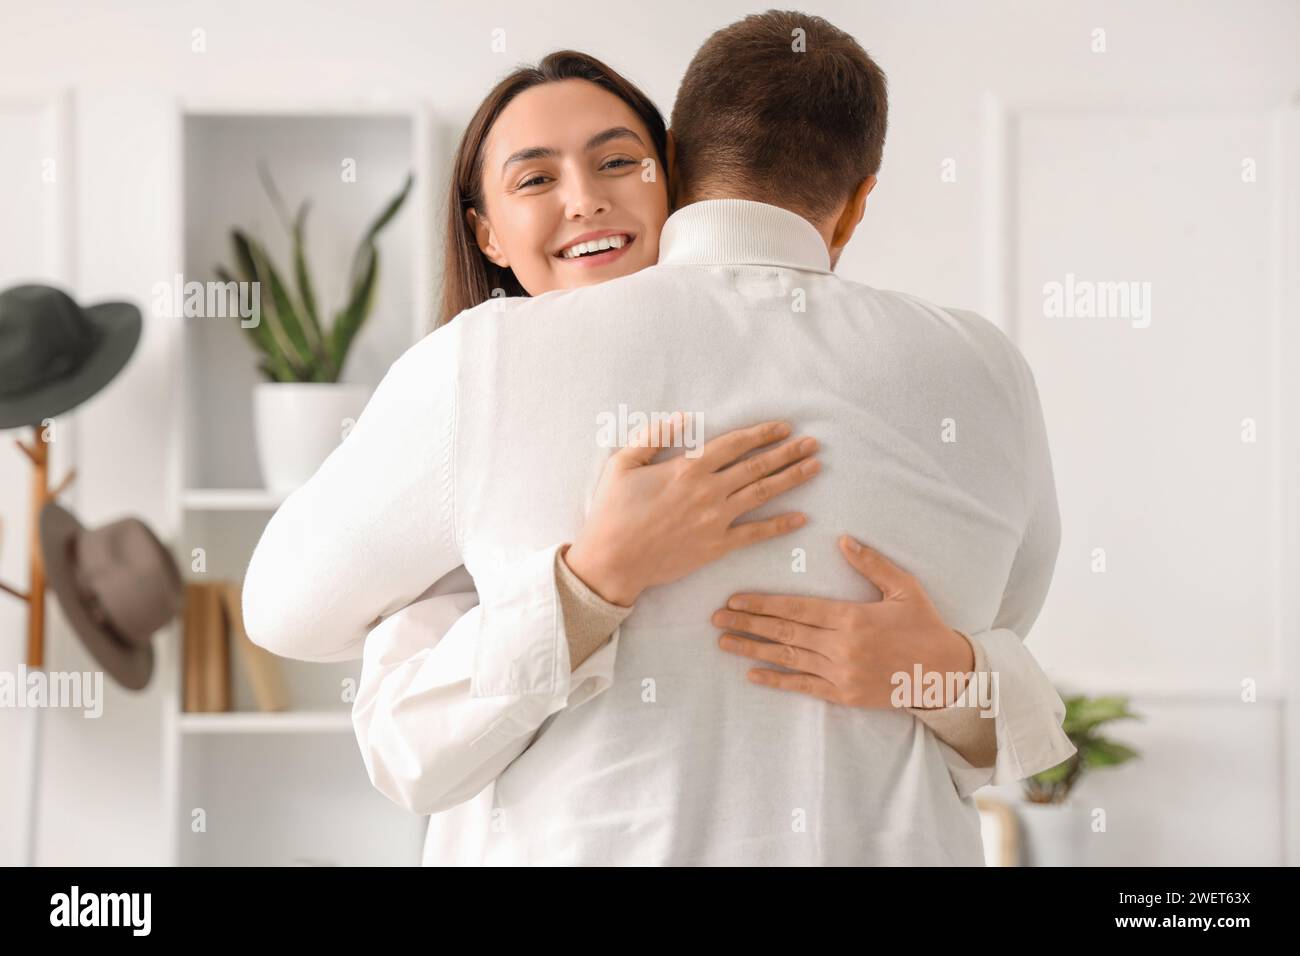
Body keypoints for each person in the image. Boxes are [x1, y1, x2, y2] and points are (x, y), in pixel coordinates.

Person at [243, 11, 1075, 865]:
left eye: (613, 161)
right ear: (859, 201)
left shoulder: (479, 369)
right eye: (534, 179)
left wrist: (567, 591)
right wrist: (589, 582)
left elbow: (286, 613)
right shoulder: (988, 371)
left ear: (672, 167)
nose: (585, 200)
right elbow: (1008, 623)